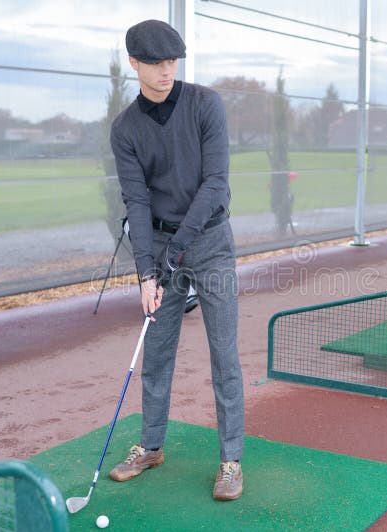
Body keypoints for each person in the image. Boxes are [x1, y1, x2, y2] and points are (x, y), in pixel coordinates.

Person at [108, 19, 244, 501]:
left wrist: (173, 255)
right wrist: (147, 271)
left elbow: (215, 185)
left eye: (172, 62)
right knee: (157, 350)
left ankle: (231, 461)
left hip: (210, 241)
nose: (166, 71)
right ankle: (150, 446)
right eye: (155, 63)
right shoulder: (125, 129)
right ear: (134, 63)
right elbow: (137, 201)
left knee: (224, 352)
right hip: (161, 245)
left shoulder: (206, 105)